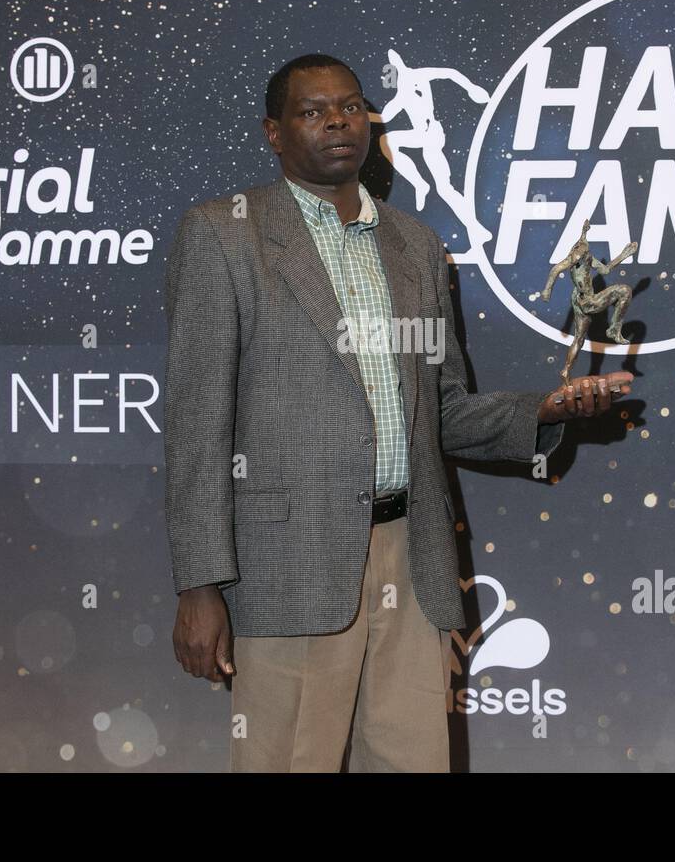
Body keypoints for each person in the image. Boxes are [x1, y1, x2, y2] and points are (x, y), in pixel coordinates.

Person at [163, 53, 633, 772]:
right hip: (288, 564)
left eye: (350, 106)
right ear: (274, 133)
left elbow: (440, 411)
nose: (337, 122)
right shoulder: (226, 235)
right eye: (312, 111)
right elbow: (198, 428)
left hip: (410, 560)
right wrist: (200, 586)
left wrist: (541, 408)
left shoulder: (414, 245)